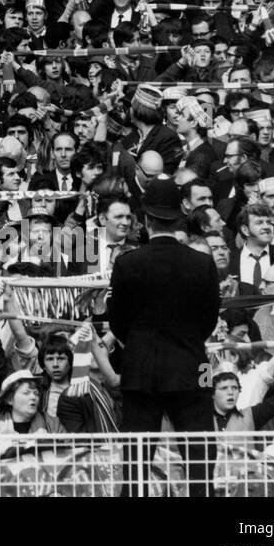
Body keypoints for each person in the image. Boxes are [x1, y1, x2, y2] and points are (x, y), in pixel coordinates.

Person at [108, 176, 220, 496]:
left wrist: (141, 343)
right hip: (192, 367)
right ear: (178, 217)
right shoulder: (202, 262)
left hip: (141, 368)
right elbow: (209, 319)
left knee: (136, 465)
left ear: (145, 219)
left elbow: (117, 322)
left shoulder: (128, 263)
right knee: (199, 462)